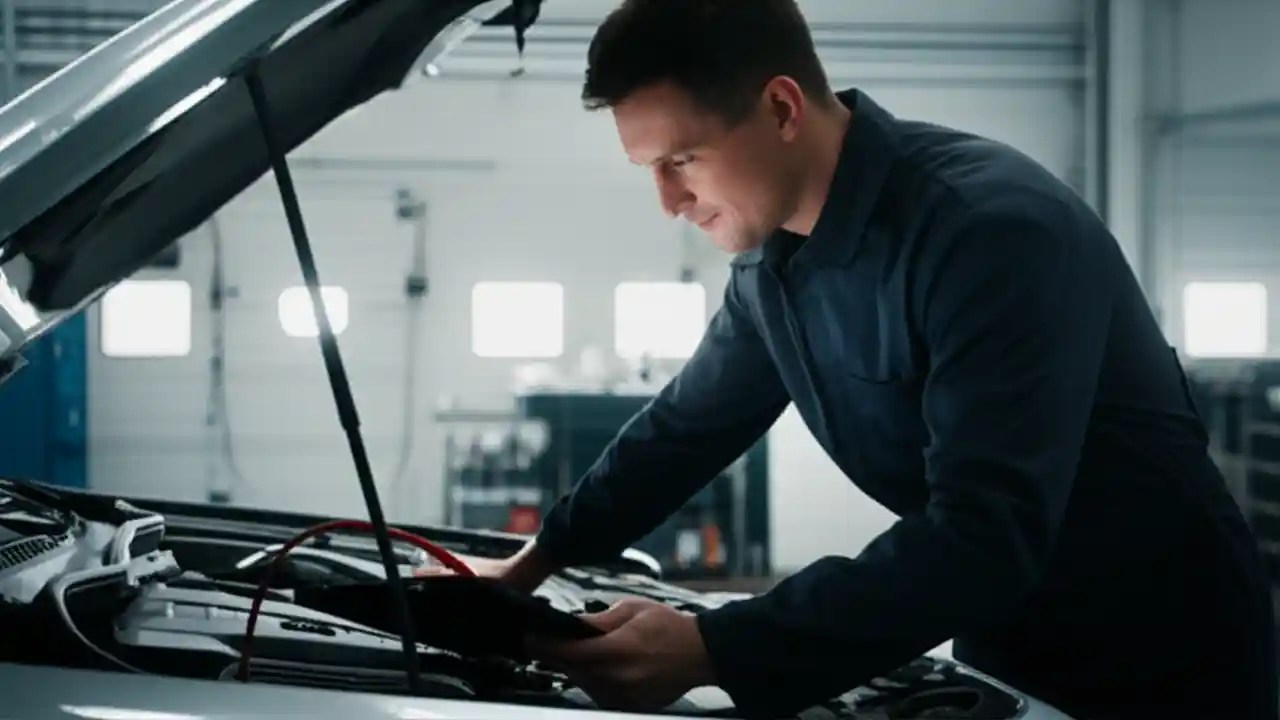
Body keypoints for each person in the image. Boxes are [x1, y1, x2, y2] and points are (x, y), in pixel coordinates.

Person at [449, 1, 1279, 717]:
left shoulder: (987, 234)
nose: (668, 202)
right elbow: (686, 425)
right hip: (1002, 630)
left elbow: (984, 533)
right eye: (649, 171)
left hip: (1162, 651)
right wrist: (533, 564)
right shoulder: (773, 264)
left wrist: (716, 647)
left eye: (682, 161)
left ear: (781, 108)